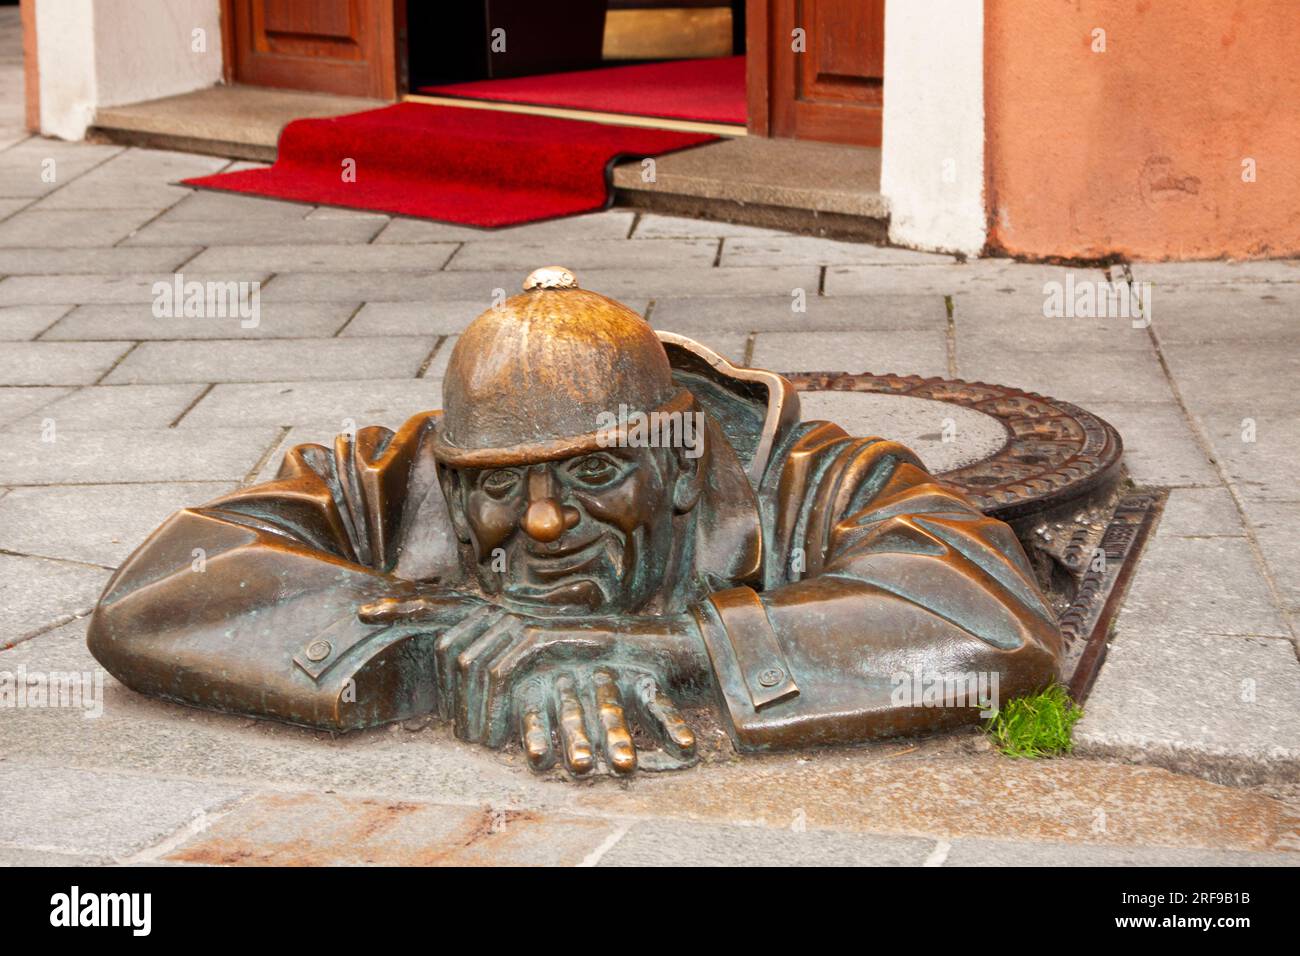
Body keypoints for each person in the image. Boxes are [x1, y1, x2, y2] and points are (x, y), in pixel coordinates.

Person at [89, 267, 1061, 775]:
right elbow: (157, 588)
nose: (544, 521)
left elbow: (994, 617)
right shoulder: (402, 472)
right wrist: (434, 636)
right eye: (499, 487)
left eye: (595, 473)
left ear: (678, 466)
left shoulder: (818, 479)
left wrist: (669, 647)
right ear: (453, 470)